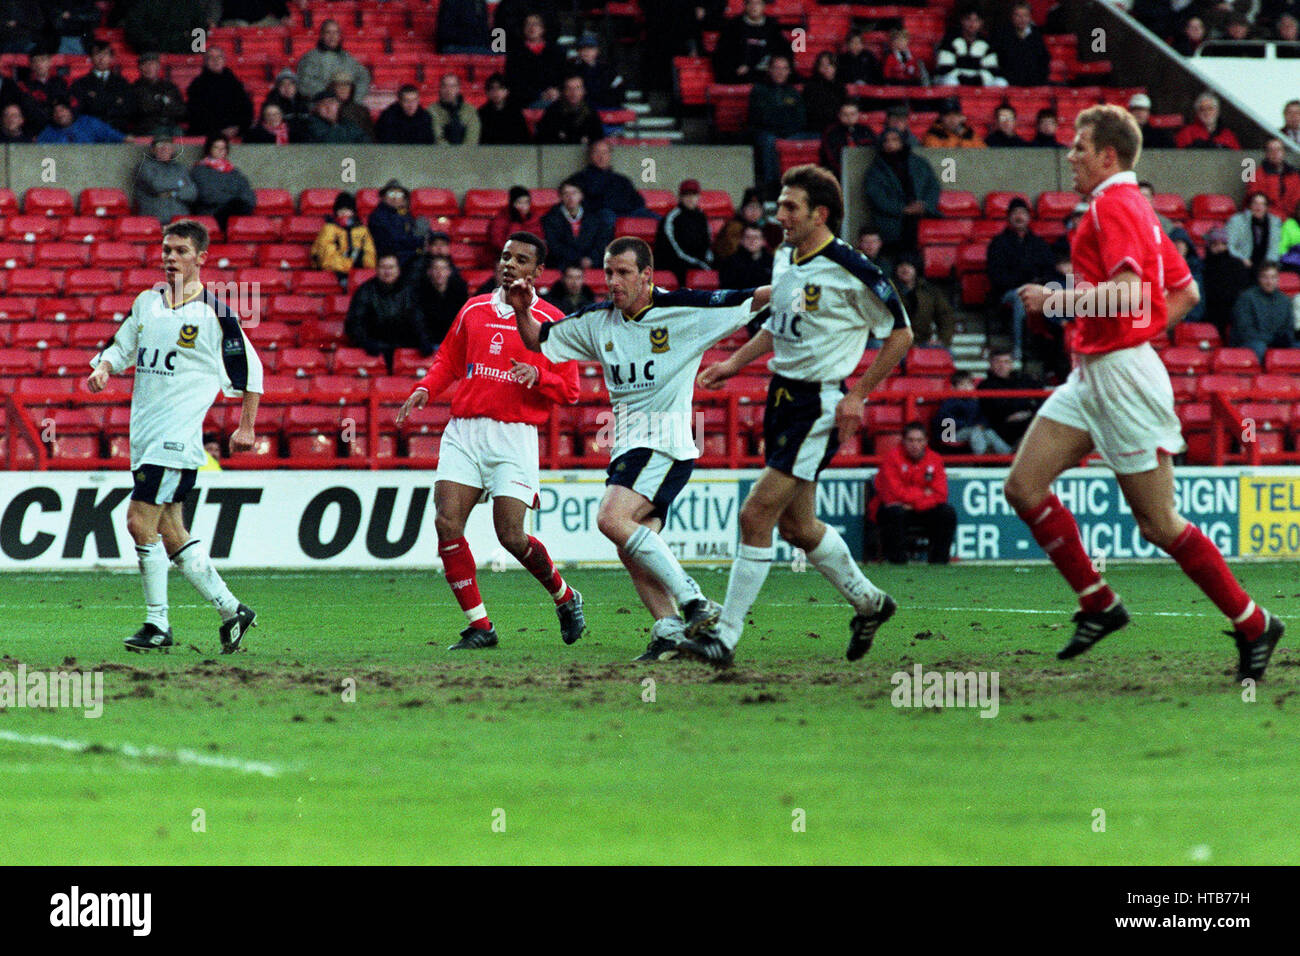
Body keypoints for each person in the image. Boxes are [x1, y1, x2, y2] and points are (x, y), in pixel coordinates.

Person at [1012, 103, 1284, 681]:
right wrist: (1126, 334)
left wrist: (1054, 301)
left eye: (1079, 148)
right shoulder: (1137, 207)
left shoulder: (1114, 205)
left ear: (1107, 155)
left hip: (1121, 379)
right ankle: (1097, 602)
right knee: (1023, 487)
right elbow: (1182, 294)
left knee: (1159, 524)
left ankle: (1254, 622)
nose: (1070, 157)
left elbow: (1131, 296)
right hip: (1095, 372)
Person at [683, 165, 911, 668]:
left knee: (754, 514)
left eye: (790, 207)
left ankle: (725, 635)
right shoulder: (786, 257)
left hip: (819, 403)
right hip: (782, 397)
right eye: (780, 204)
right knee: (798, 528)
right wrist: (732, 363)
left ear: (819, 214)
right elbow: (778, 326)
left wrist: (860, 396)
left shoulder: (853, 269)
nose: (779, 214)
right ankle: (871, 603)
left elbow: (901, 333)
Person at [510, 236, 767, 661]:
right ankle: (669, 630)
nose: (613, 281)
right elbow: (538, 339)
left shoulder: (683, 309)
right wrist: (522, 310)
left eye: (624, 273)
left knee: (611, 518)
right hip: (629, 447)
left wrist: (802, 284)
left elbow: (751, 299)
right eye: (609, 272)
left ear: (647, 276)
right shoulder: (599, 321)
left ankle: (695, 602)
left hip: (663, 444)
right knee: (635, 546)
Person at [395, 234, 583, 649]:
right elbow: (449, 358)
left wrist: (540, 377)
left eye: (521, 260)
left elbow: (571, 390)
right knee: (446, 523)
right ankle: (480, 625)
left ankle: (565, 596)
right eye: (505, 257)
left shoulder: (552, 320)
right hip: (465, 430)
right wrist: (427, 387)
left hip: (513, 437)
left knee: (511, 537)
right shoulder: (474, 308)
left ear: (538, 272)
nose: (510, 264)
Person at [84, 219, 262, 654]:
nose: (170, 258)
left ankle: (157, 624)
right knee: (171, 532)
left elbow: (250, 374)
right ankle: (232, 610)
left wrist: (246, 425)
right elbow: (120, 347)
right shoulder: (146, 303)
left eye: (180, 251)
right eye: (166, 250)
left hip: (176, 439)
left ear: (201, 258)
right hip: (145, 437)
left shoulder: (217, 315)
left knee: (137, 521)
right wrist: (104, 368)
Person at [871, 422, 957, 565]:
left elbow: (941, 494)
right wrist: (924, 493)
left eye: (919, 440)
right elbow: (892, 494)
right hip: (897, 510)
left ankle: (939, 562)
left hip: (917, 509)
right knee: (894, 512)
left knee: (947, 512)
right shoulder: (891, 459)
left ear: (926, 441)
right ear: (903, 441)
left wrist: (914, 503)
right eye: (910, 440)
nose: (915, 445)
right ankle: (897, 562)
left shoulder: (934, 459)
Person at [988, 197, 1057, 361]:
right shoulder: (998, 243)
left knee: (1059, 294)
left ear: (1029, 217)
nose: (1019, 217)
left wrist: (1038, 283)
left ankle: (1053, 349)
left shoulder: (1039, 244)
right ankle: (1018, 348)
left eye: (1022, 213)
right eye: (1015, 213)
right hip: (1008, 292)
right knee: (1022, 298)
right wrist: (1024, 282)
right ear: (1009, 217)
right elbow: (996, 276)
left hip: (1039, 288)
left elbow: (1050, 269)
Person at [345, 253, 432, 371]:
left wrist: (424, 340)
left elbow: (418, 319)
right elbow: (355, 322)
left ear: (398, 270)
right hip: (375, 347)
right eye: (383, 267)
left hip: (403, 346)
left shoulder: (409, 291)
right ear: (377, 269)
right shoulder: (365, 291)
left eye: (391, 267)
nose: (387, 272)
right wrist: (366, 343)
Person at [863, 127, 940, 256]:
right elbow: (877, 198)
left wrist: (924, 205)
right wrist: (903, 209)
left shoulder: (919, 163)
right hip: (891, 223)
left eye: (895, 140)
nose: (891, 144)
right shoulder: (875, 171)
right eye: (886, 141)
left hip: (920, 217)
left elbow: (933, 186)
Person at [749, 55, 808, 199]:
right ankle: (771, 188)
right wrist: (782, 121)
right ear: (769, 70)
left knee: (818, 137)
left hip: (790, 133)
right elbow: (761, 117)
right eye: (777, 68)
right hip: (767, 133)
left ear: (789, 71)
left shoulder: (793, 92)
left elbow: (800, 118)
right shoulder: (759, 90)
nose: (780, 72)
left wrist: (785, 125)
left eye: (784, 68)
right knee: (770, 142)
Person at [712, 0, 792, 84]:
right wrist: (736, 67)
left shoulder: (772, 26)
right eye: (751, 3)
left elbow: (784, 51)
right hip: (741, 75)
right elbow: (722, 53)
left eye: (758, 3)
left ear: (764, 6)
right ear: (745, 5)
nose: (754, 6)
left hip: (768, 75)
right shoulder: (733, 26)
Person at [541, 178, 614, 270]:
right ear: (561, 197)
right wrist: (578, 260)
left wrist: (590, 258)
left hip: (591, 262)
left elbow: (601, 242)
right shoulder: (550, 218)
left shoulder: (595, 217)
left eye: (574, 193)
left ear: (581, 195)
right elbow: (554, 245)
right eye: (566, 194)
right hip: (562, 263)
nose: (570, 197)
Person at [189, 134, 255, 233]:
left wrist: (234, 199)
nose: (220, 151)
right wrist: (233, 198)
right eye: (216, 147)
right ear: (209, 149)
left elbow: (248, 194)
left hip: (236, 212)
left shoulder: (234, 171)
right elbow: (208, 196)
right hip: (212, 214)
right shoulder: (199, 170)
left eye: (223, 148)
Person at [934, 370, 1011, 454]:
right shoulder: (950, 402)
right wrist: (969, 425)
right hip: (950, 434)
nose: (966, 387)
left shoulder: (974, 402)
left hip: (969, 429)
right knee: (974, 431)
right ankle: (981, 456)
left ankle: (1007, 453)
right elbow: (947, 420)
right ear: (954, 388)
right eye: (962, 385)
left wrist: (982, 424)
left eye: (969, 384)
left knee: (988, 432)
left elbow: (982, 416)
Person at [1231, 263, 1295, 363]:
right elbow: (1244, 330)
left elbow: (1289, 328)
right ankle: (1261, 378)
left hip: (1277, 342)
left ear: (1278, 279)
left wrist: (1283, 339)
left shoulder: (1285, 300)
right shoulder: (1246, 298)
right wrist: (1271, 339)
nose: (1269, 282)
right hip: (1251, 343)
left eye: (1273, 277)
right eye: (1265, 277)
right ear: (1259, 278)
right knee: (1260, 347)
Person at [570, 138, 650, 219]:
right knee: (606, 215)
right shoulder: (579, 179)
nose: (601, 156)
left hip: (626, 214)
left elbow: (638, 201)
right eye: (596, 152)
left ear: (610, 155)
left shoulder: (622, 180)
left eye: (604, 152)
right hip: (601, 218)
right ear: (590, 155)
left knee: (654, 218)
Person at [185, 47, 253, 140]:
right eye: (211, 58)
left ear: (224, 60)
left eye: (219, 57)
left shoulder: (235, 83)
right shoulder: (197, 85)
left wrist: (237, 128)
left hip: (235, 131)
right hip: (208, 133)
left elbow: (246, 109)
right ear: (205, 62)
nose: (215, 60)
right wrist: (218, 132)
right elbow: (196, 115)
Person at [311, 191, 376, 289]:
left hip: (358, 274)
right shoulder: (329, 229)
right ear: (336, 212)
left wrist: (364, 267)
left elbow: (370, 254)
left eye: (347, 210)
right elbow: (327, 259)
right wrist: (352, 266)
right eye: (340, 210)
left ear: (353, 212)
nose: (344, 213)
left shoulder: (362, 230)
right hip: (336, 274)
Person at [654, 179, 713, 284]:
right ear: (680, 197)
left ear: (699, 197)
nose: (690, 199)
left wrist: (707, 262)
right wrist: (698, 264)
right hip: (675, 263)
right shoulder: (672, 217)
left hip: (697, 263)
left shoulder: (702, 216)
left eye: (694, 195)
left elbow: (707, 242)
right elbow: (672, 249)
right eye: (687, 195)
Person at [977, 349, 1038, 450]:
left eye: (1006, 362)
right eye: (997, 362)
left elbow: (1039, 400)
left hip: (1027, 421)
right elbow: (992, 411)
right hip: (1001, 427)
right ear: (991, 364)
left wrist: (1028, 412)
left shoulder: (1024, 380)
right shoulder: (984, 385)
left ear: (1011, 364)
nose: (1002, 366)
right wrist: (1016, 412)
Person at [296, 18, 371, 101]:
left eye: (336, 33)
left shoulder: (347, 57)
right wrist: (332, 93)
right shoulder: (310, 58)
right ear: (321, 35)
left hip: (345, 106)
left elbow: (363, 76)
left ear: (339, 36)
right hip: (321, 105)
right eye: (328, 32)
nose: (332, 37)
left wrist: (354, 98)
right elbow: (304, 85)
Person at [935, 5, 1006, 87]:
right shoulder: (950, 41)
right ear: (962, 21)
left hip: (978, 81)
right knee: (950, 81)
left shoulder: (987, 44)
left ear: (981, 23)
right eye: (968, 19)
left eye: (976, 20)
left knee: (1001, 83)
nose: (972, 24)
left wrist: (976, 80)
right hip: (955, 80)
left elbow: (992, 70)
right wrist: (965, 80)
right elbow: (945, 68)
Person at [70, 40, 133, 132]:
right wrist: (113, 100)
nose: (101, 58)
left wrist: (97, 99)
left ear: (111, 58)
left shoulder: (122, 82)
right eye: (97, 54)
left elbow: (127, 108)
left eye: (105, 54)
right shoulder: (81, 83)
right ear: (91, 58)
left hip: (117, 128)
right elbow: (81, 109)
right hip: (91, 129)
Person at [504, 13, 565, 109]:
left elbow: (563, 77)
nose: (532, 27)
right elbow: (514, 84)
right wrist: (540, 95)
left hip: (556, 99)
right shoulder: (515, 54)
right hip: (527, 102)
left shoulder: (557, 52)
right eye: (528, 24)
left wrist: (558, 91)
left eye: (536, 24)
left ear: (543, 29)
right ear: (523, 29)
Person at [893, 255, 954, 349]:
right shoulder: (888, 291)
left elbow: (945, 316)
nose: (905, 269)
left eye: (909, 266)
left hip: (923, 342)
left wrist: (942, 340)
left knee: (946, 354)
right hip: (893, 343)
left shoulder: (929, 291)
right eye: (901, 266)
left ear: (916, 269)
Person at [133, 132, 195, 222]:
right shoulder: (144, 166)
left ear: (173, 149)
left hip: (180, 220)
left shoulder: (180, 168)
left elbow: (192, 193)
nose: (164, 149)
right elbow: (157, 185)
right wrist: (180, 184)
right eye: (160, 146)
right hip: (155, 220)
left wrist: (173, 193)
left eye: (168, 146)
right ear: (153, 150)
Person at [1202, 226, 1251, 338]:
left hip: (1233, 315)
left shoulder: (1237, 265)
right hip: (1210, 315)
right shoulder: (1204, 266)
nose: (1220, 248)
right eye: (1215, 244)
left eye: (1223, 244)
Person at [368, 179, 426, 270]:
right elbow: (394, 241)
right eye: (391, 194)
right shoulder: (377, 216)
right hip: (390, 260)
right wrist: (417, 239)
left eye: (399, 195)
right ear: (383, 197)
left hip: (408, 256)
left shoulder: (405, 215)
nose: (395, 198)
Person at [535, 73, 604, 145]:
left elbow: (598, 140)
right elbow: (542, 139)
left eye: (577, 88)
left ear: (584, 91)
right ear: (564, 91)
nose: (574, 93)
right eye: (569, 89)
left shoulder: (591, 113)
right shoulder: (553, 112)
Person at [993, 2, 1049, 87]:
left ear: (1030, 18)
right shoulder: (1003, 35)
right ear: (1012, 17)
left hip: (1033, 82)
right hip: (1008, 80)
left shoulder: (1037, 36)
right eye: (1018, 16)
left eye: (1025, 16)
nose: (1022, 19)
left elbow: (1043, 61)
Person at [417, 254, 469, 346]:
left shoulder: (459, 291)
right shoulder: (420, 292)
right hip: (429, 342)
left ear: (449, 271)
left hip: (453, 341)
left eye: (443, 268)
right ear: (429, 272)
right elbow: (419, 321)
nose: (439, 272)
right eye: (436, 268)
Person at [130, 51, 185, 136]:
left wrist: (159, 105)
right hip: (147, 128)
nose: (149, 68)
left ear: (158, 66)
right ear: (139, 68)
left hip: (171, 125)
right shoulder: (134, 88)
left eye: (152, 64)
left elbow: (181, 110)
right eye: (145, 65)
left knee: (179, 133)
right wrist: (165, 104)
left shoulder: (170, 87)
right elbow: (142, 111)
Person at [1227, 191, 1283, 270]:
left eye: (1262, 204)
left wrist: (1268, 264)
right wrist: (1242, 259)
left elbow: (1274, 247)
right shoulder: (1236, 220)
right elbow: (1230, 246)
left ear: (1267, 208)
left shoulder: (1274, 222)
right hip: (1243, 262)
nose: (1258, 207)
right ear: (1250, 206)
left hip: (1266, 264)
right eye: (1255, 203)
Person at [16, 51, 70, 132]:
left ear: (49, 62)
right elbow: (28, 110)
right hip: (34, 129)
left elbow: (65, 106)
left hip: (59, 127)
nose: (39, 64)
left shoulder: (61, 82)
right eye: (35, 61)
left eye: (42, 60)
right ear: (31, 65)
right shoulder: (24, 86)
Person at [819, 101, 876, 175]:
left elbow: (873, 151)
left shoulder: (866, 131)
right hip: (838, 172)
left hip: (864, 170)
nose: (849, 118)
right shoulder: (831, 132)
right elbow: (830, 158)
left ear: (858, 114)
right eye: (845, 115)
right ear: (839, 115)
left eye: (853, 114)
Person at [35, 96, 125, 143]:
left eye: (63, 109)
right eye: (55, 111)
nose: (59, 114)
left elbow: (115, 136)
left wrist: (133, 140)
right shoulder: (48, 133)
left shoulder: (89, 123)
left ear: (70, 110)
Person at [573, 32, 623, 110]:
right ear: (578, 51)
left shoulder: (607, 69)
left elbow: (617, 89)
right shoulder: (573, 69)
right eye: (583, 48)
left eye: (590, 48)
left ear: (597, 50)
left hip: (606, 107)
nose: (587, 51)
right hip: (584, 109)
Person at [1175, 91, 1240, 149]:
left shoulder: (1228, 135)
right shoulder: (1186, 133)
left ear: (1218, 111)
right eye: (1202, 109)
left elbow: (1237, 159)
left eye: (1210, 108)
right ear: (1197, 113)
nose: (1206, 112)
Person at [478, 73, 531, 144]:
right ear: (487, 92)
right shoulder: (481, 113)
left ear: (507, 91)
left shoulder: (515, 113)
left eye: (500, 88)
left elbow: (523, 138)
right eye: (492, 88)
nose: (496, 92)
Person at [489, 186, 545, 253]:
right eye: (519, 202)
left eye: (527, 202)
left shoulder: (534, 218)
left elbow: (540, 240)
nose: (524, 206)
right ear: (512, 204)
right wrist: (515, 223)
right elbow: (498, 243)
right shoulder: (501, 218)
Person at [717, 223, 773, 289]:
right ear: (741, 240)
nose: (752, 241)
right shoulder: (730, 262)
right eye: (748, 237)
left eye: (756, 237)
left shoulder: (771, 261)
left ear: (763, 241)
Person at [803, 51, 844, 136]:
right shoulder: (810, 86)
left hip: (837, 129)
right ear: (817, 67)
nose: (826, 68)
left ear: (835, 67)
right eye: (822, 65)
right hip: (816, 130)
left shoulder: (840, 87)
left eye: (829, 64)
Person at [431, 72, 480, 145]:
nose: (448, 90)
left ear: (458, 89)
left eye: (452, 86)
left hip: (467, 154)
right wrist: (452, 154)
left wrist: (461, 154)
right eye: (445, 86)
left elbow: (472, 138)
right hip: (441, 155)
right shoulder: (432, 111)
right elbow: (437, 138)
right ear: (440, 88)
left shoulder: (470, 110)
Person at [301, 88, 365, 143]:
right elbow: (330, 140)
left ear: (338, 105)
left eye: (331, 102)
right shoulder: (311, 124)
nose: (328, 107)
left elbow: (364, 140)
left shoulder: (347, 123)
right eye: (323, 104)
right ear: (316, 108)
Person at [1258, 138, 1300, 217]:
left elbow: (1297, 200)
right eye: (1271, 150)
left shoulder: (1294, 175)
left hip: (1292, 218)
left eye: (1278, 150)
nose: (1275, 153)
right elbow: (1256, 203)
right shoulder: (1258, 175)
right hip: (1268, 218)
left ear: (1283, 152)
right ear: (1266, 153)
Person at [923, 97, 987, 149]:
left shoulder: (970, 134)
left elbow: (982, 154)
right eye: (948, 115)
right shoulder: (934, 135)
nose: (952, 119)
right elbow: (941, 158)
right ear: (941, 118)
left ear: (961, 117)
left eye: (956, 115)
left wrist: (963, 137)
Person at [262, 69, 310, 134]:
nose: (287, 87)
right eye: (283, 84)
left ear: (296, 86)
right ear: (278, 88)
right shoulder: (271, 104)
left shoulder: (305, 101)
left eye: (291, 84)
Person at [330, 72, 374, 141]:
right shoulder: (324, 110)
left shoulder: (361, 112)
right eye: (339, 85)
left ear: (352, 88)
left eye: (347, 85)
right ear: (332, 88)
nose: (343, 89)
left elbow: (370, 139)